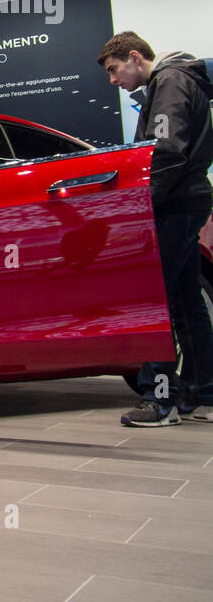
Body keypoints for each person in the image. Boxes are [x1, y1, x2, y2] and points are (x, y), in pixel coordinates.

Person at [98, 32, 213, 426]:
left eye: (115, 70)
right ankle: (203, 395)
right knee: (186, 301)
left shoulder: (169, 81)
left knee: (156, 303)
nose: (113, 81)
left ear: (134, 57)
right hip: (189, 201)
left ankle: (159, 399)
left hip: (174, 205)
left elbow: (165, 150)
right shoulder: (183, 79)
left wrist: (142, 204)